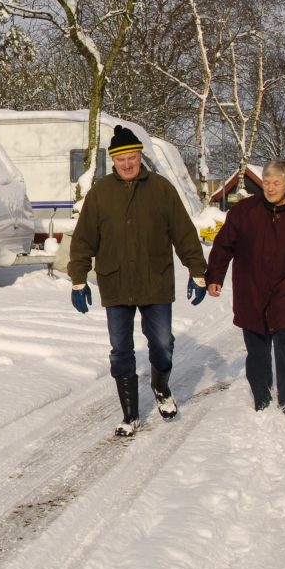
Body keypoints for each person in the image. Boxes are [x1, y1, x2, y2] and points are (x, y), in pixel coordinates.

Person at [67, 125, 208, 436]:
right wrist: (78, 279)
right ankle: (130, 414)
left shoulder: (161, 189)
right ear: (113, 161)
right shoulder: (100, 193)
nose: (127, 164)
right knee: (121, 350)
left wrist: (198, 272)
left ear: (140, 156)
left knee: (163, 344)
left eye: (132, 157)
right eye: (121, 160)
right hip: (115, 282)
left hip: (154, 281)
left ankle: (160, 386)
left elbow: (184, 234)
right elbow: (83, 240)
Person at [204, 160, 285, 423]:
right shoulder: (244, 211)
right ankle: (261, 398)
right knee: (257, 346)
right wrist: (214, 276)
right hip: (250, 289)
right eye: (267, 182)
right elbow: (223, 245)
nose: (271, 187)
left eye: (276, 183)